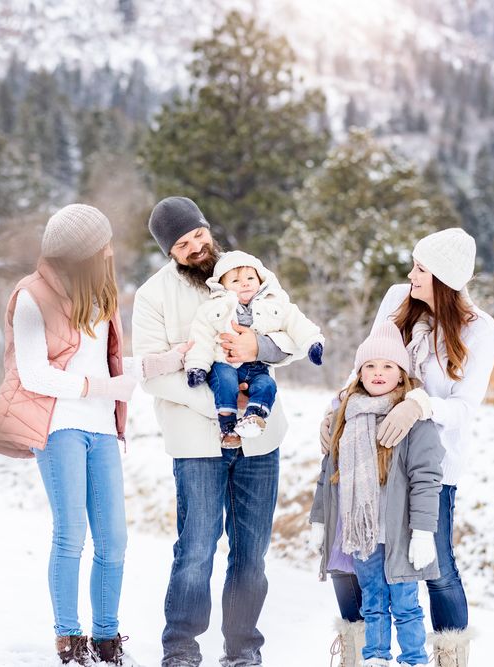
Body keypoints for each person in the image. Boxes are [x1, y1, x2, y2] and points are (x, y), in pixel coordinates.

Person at [318, 227, 494, 667]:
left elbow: (465, 407)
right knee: (350, 555)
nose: (411, 275)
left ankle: (449, 657)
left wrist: (419, 404)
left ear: (444, 279)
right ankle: (361, 651)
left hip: (428, 466)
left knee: (436, 566)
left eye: (420, 269)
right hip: (369, 456)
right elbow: (367, 364)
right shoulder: (398, 300)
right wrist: (337, 407)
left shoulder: (480, 330)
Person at [131, 196, 295, 667]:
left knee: (251, 553)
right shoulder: (153, 296)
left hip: (259, 437)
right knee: (197, 548)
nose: (196, 247)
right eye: (182, 244)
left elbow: (289, 338)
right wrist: (220, 406)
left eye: (198, 235)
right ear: (169, 252)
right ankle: (181, 647)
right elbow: (151, 374)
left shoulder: (251, 274)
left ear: (207, 227)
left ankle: (243, 650)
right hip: (196, 441)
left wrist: (258, 346)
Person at [0, 204, 137, 666]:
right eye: (102, 244)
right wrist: (101, 388)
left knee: (114, 539)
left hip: (102, 428)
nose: (109, 251)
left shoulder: (104, 296)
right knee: (71, 533)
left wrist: (165, 361)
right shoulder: (31, 296)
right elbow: (34, 374)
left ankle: (106, 639)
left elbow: (107, 365)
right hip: (59, 425)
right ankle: (69, 638)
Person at [309, 321, 444, 667]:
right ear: (360, 373)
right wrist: (319, 521)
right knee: (373, 603)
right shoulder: (345, 415)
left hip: (399, 533)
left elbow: (426, 478)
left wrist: (423, 532)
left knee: (406, 605)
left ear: (401, 375)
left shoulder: (414, 419)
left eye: (387, 366)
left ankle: (413, 660)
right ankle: (375, 658)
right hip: (362, 534)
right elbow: (328, 474)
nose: (378, 373)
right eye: (370, 366)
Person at [185, 250, 324, 447]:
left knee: (267, 385)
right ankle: (228, 429)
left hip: (258, 367)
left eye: (250, 278)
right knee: (225, 382)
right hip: (225, 363)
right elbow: (201, 338)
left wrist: (312, 342)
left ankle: (254, 417)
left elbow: (297, 323)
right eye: (235, 281)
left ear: (260, 280)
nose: (245, 283)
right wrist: (197, 367)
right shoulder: (213, 308)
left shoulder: (275, 303)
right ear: (222, 286)